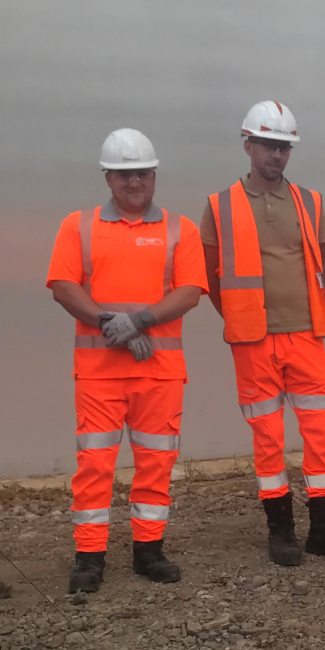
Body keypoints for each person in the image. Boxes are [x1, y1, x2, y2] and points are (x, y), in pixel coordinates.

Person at [200, 101, 325, 565]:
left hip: (306, 334)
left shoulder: (310, 202)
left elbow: (322, 265)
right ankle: (281, 532)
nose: (277, 154)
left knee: (320, 434)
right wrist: (239, 314)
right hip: (254, 339)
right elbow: (211, 276)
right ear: (248, 144)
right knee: (268, 437)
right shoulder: (220, 206)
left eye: (284, 147)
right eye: (269, 145)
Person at [48, 129, 207, 592]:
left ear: (153, 176)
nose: (133, 182)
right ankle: (89, 556)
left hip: (159, 374)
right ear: (108, 178)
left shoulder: (180, 229)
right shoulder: (78, 225)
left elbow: (191, 291)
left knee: (156, 461)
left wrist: (140, 319)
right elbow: (63, 285)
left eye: (141, 173)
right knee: (95, 463)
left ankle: (148, 550)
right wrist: (105, 321)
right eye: (123, 174)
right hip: (98, 374)